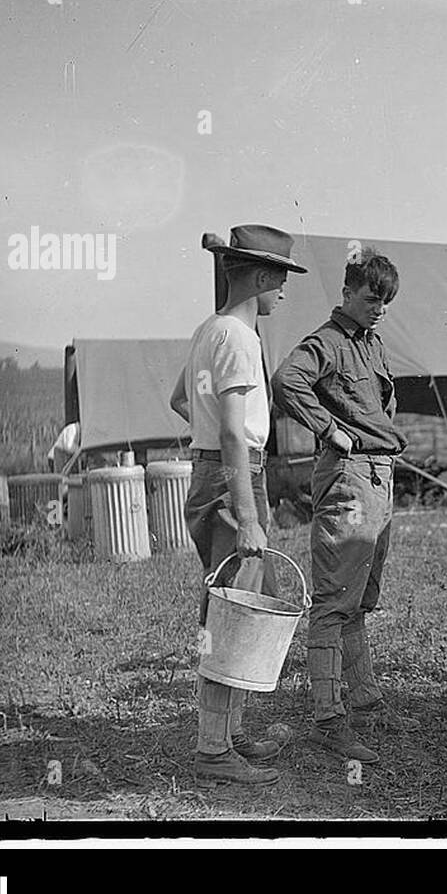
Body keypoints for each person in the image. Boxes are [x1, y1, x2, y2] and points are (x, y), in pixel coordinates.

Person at [170, 223, 307, 787]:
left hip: (216, 473)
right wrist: (247, 512)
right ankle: (212, 750)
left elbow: (179, 399)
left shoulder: (210, 330)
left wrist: (209, 450)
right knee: (234, 612)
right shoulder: (241, 340)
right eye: (280, 279)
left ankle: (230, 734)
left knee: (237, 604)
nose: (283, 291)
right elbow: (233, 432)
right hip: (234, 478)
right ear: (260, 276)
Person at [271, 247, 416, 766]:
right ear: (348, 292)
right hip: (349, 480)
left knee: (361, 600)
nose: (379, 308)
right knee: (334, 602)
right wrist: (331, 429)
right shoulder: (327, 343)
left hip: (380, 476)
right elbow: (287, 380)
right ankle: (328, 721)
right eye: (372, 297)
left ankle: (365, 703)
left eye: (386, 301)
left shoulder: (372, 345)